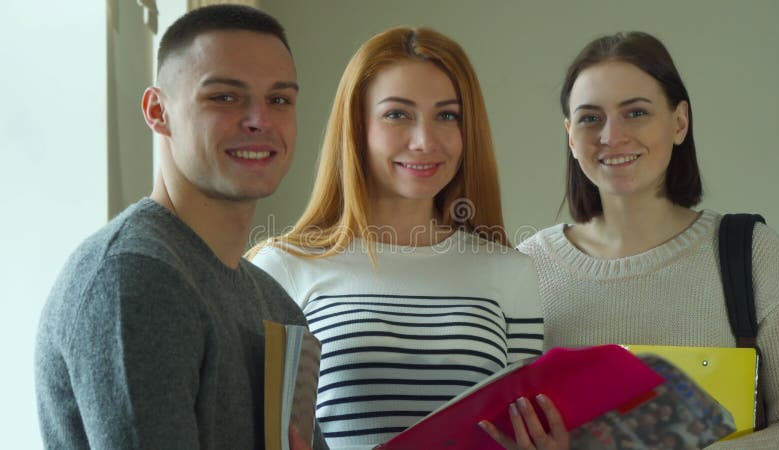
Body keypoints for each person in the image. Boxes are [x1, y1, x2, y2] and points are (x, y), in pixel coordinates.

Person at [249, 26, 567, 450]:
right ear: (356, 127)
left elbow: (519, 429)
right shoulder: (281, 267)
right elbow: (254, 431)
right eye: (397, 114)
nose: (424, 141)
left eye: (447, 115)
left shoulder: (509, 272)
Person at [35, 5, 326, 450]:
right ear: (157, 111)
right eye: (224, 97)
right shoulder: (134, 275)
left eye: (279, 99)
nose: (259, 120)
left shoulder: (276, 305)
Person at [518, 31, 779, 448]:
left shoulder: (753, 253)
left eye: (635, 112)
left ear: (680, 122)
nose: (611, 136)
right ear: (570, 135)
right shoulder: (525, 269)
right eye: (590, 117)